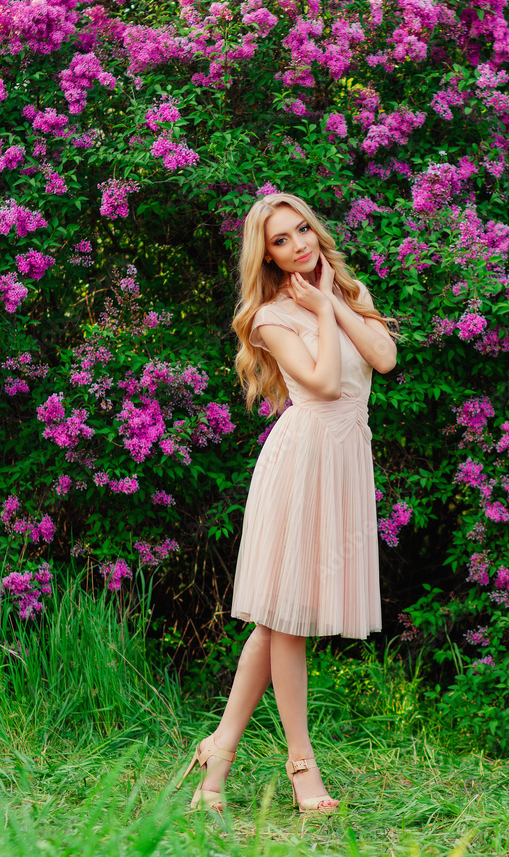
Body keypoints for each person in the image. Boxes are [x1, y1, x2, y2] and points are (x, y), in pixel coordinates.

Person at [178, 192, 398, 814]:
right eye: (281, 239)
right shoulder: (269, 317)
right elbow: (324, 382)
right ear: (267, 255)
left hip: (345, 460)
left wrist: (333, 302)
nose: (299, 243)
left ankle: (217, 753)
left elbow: (384, 357)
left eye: (302, 229)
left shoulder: (348, 293)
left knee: (277, 618)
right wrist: (320, 314)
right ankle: (301, 764)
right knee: (290, 619)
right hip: (302, 462)